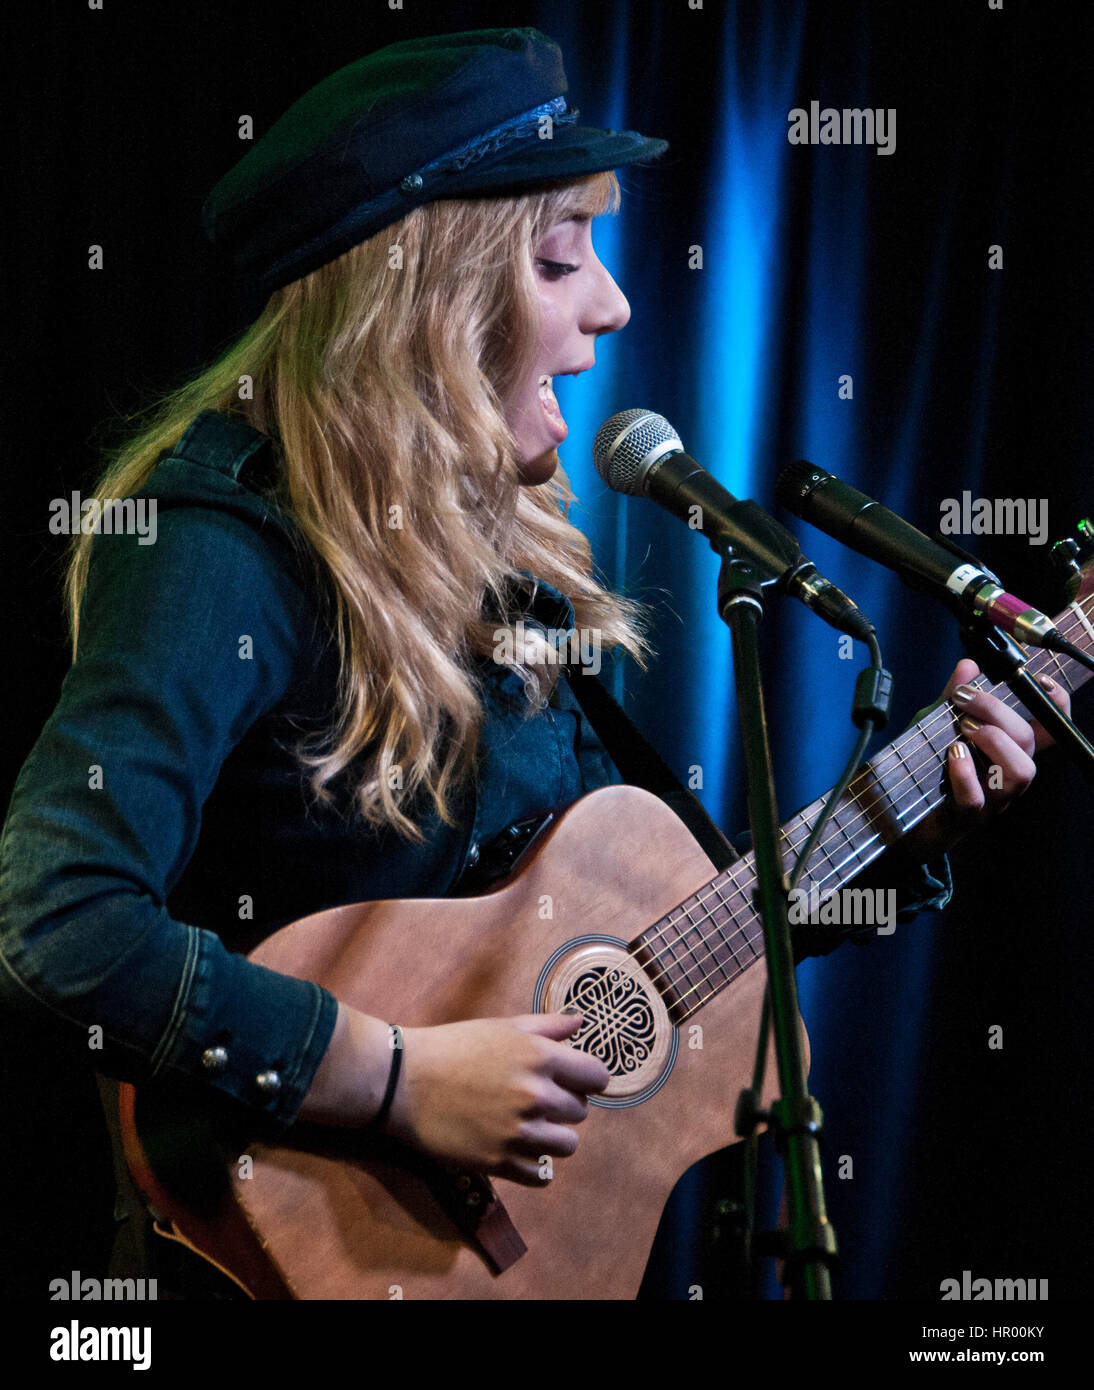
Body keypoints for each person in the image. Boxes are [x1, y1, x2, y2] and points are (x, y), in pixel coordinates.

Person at [0, 27, 1070, 1298]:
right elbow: (58, 926)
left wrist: (913, 826)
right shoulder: (218, 549)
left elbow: (628, 964)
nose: (611, 303)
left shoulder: (502, 553)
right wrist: (398, 1078)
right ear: (425, 301)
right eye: (559, 257)